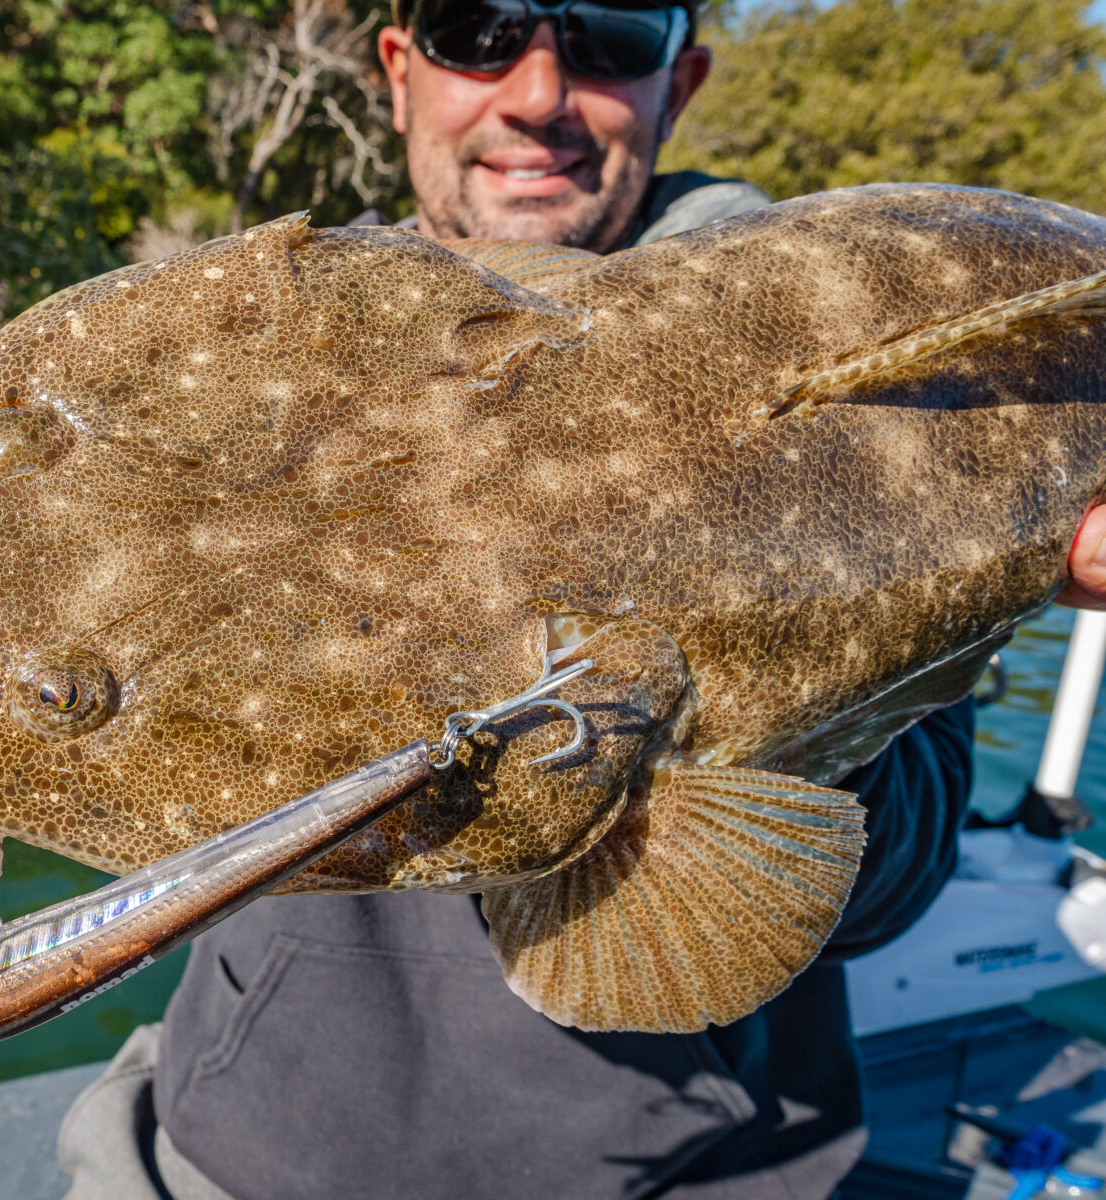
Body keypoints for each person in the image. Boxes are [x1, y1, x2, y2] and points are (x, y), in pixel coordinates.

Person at [57, 3, 1106, 1197]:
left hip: (704, 1169)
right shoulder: (262, 362)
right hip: (242, 1147)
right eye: (476, 28)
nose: (539, 90)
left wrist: (777, 655)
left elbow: (897, 870)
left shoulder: (896, 366)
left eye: (608, 35)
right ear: (401, 70)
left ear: (682, 79)